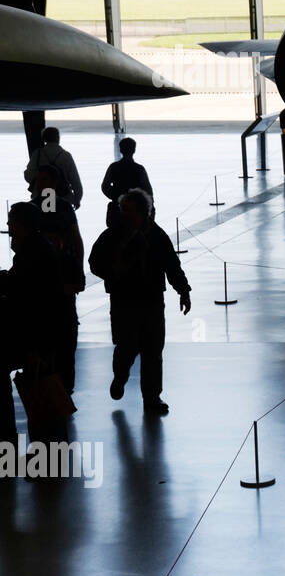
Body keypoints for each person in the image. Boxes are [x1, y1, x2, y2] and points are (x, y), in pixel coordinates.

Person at [88, 189, 191, 415]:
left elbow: (172, 265)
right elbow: (94, 262)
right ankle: (121, 375)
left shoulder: (157, 236)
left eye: (130, 211)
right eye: (123, 211)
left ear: (144, 213)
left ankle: (152, 397)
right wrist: (113, 272)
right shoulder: (113, 235)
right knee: (126, 347)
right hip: (124, 302)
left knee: (153, 350)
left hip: (152, 301)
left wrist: (183, 290)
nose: (125, 216)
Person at [0, 202, 67, 444]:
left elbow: (31, 300)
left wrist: (35, 348)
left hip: (34, 336)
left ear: (21, 224)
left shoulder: (32, 253)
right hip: (40, 336)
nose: (8, 226)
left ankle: (12, 444)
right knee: (41, 393)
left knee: (39, 393)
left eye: (11, 221)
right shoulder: (38, 249)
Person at [29, 165, 85, 395]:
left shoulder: (42, 206)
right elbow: (74, 238)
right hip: (56, 280)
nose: (41, 185)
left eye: (44, 180)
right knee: (64, 334)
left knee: (57, 335)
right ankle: (62, 385)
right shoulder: (56, 205)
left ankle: (55, 383)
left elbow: (71, 237)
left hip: (52, 280)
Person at [24, 126, 83, 210]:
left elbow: (28, 176)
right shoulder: (65, 156)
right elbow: (75, 181)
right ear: (58, 138)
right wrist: (77, 199)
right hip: (63, 198)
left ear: (44, 139)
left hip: (41, 198)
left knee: (43, 221)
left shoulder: (38, 154)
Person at [101, 137, 153, 228]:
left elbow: (105, 187)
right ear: (134, 150)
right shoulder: (139, 169)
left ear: (120, 149)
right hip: (136, 212)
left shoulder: (114, 167)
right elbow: (148, 191)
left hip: (116, 211)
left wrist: (115, 196)